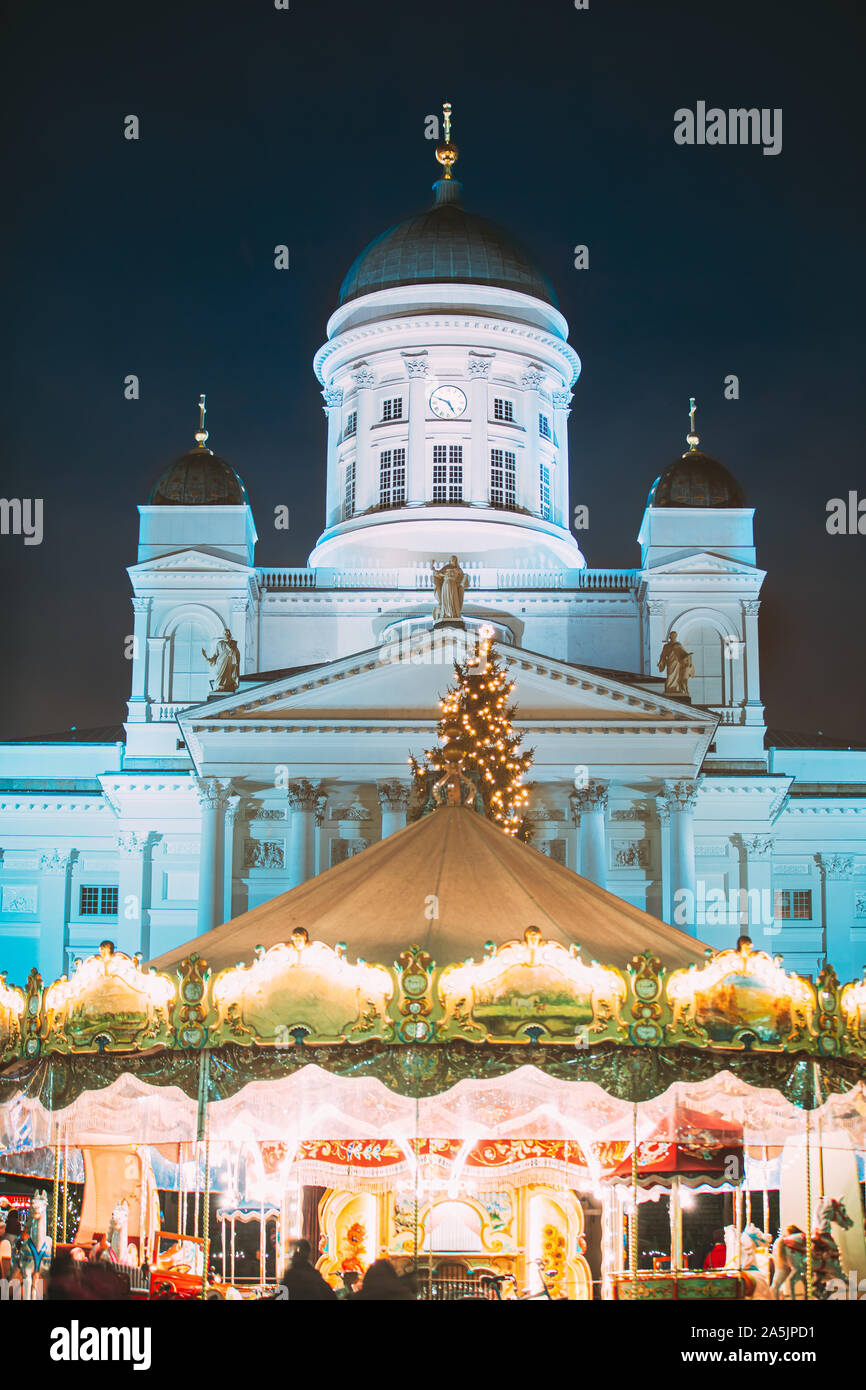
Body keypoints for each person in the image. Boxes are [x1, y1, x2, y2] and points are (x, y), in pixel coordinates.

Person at [0, 1208, 21, 1279]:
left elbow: (5, 1231)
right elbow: (19, 1232)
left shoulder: (7, 1222)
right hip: (14, 1239)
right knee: (13, 1253)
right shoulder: (18, 1223)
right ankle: (12, 1269)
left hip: (7, 1237)